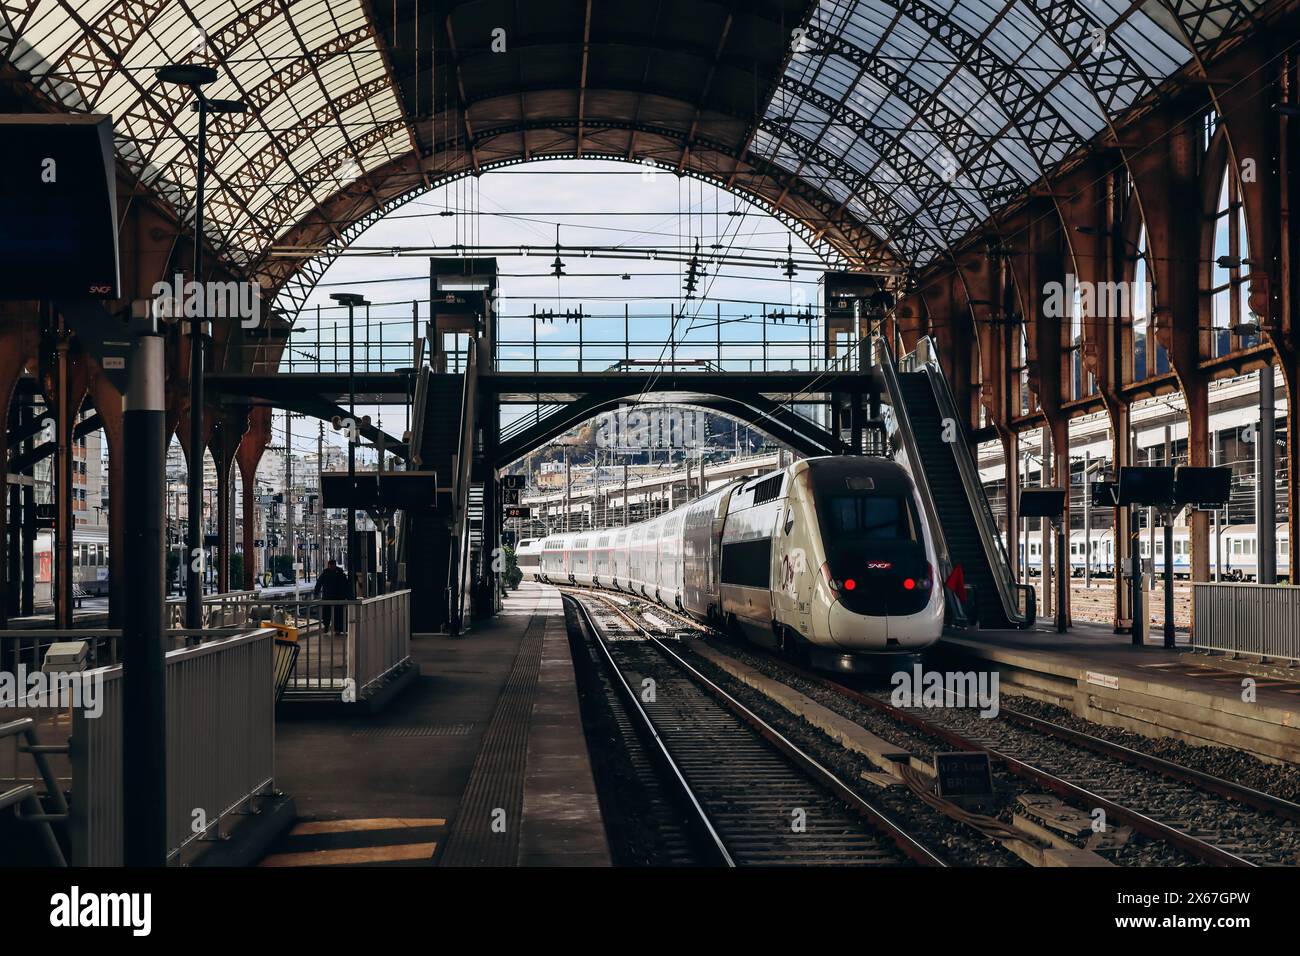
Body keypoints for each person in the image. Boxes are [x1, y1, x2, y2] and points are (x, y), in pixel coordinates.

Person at [312, 559, 352, 634]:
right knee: (328, 613)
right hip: (330, 597)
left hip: (336, 597)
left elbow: (345, 585)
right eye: (330, 566)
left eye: (332, 565)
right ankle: (327, 626)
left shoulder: (339, 573)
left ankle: (337, 629)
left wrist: (347, 595)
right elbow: (319, 583)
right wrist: (316, 592)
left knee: (336, 614)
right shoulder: (327, 573)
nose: (331, 567)